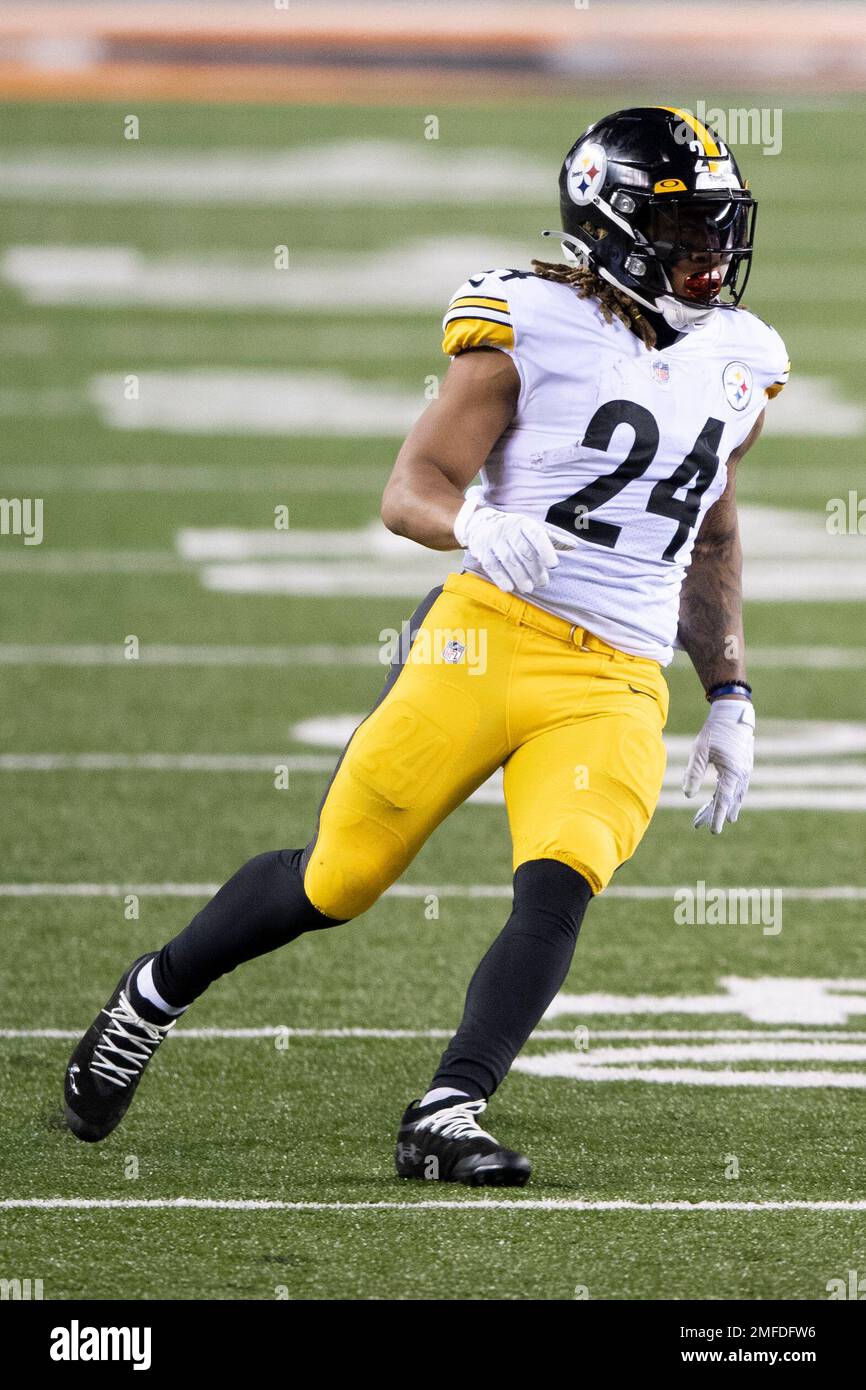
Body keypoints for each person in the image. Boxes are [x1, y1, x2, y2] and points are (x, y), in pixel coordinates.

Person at [64, 107, 789, 1187]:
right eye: (683, 232)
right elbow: (411, 488)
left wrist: (726, 688)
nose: (711, 257)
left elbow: (712, 531)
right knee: (339, 878)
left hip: (616, 675)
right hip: (484, 635)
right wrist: (475, 525)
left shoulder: (743, 358)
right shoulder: (528, 323)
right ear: (611, 228)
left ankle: (447, 1107)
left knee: (560, 879)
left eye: (719, 231)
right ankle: (150, 996)